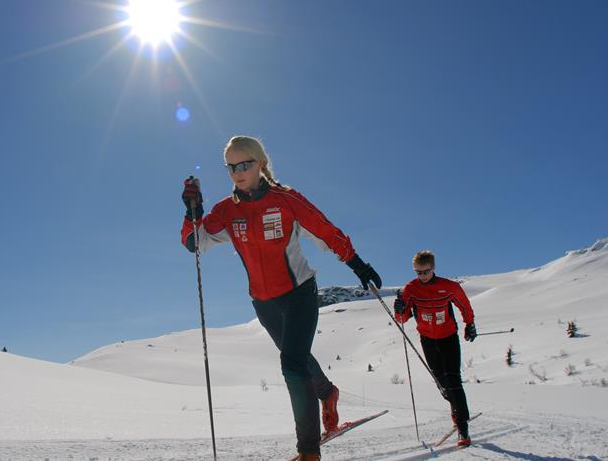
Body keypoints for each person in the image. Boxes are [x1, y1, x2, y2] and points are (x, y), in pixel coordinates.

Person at [180, 135, 382, 460]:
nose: (237, 172)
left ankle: (309, 452)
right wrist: (194, 211)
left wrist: (357, 263)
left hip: (299, 292)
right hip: (263, 302)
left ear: (260, 163)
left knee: (291, 364)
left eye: (244, 164)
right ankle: (327, 393)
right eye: (231, 167)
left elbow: (325, 230)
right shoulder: (226, 211)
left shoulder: (286, 199)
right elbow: (195, 243)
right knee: (296, 357)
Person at [394, 250, 477, 448]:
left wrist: (469, 324)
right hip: (427, 339)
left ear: (433, 269)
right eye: (418, 272)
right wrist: (399, 307)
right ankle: (454, 407)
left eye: (425, 271)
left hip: (448, 337)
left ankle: (462, 426)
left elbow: (464, 305)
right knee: (441, 383)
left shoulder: (448, 287)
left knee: (453, 379)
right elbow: (402, 318)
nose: (421, 276)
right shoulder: (411, 289)